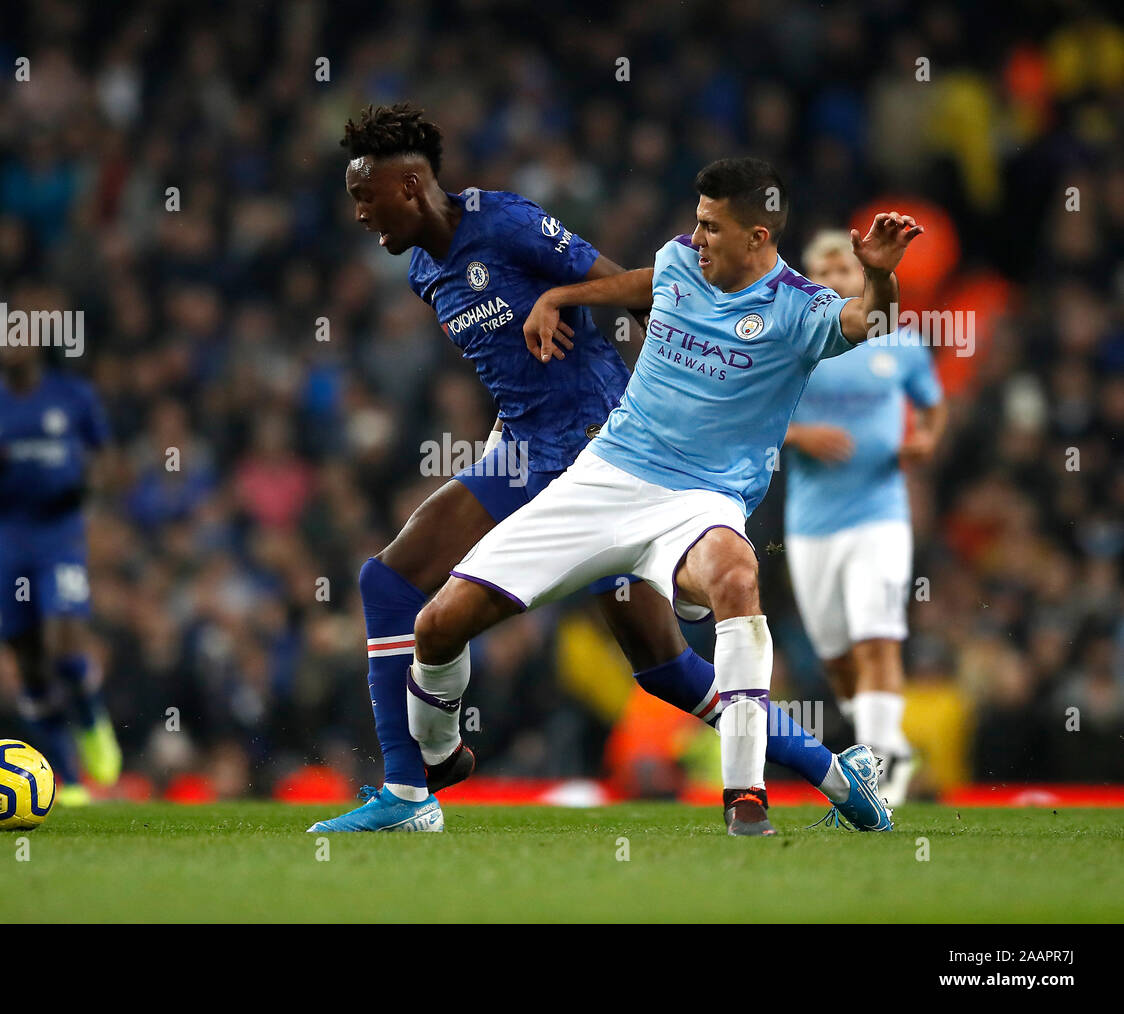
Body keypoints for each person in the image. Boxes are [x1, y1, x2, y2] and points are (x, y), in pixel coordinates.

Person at [311, 108, 887, 835]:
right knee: (393, 583)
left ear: (410, 184)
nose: (359, 214)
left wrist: (677, 415)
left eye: (367, 196)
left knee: (665, 668)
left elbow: (635, 289)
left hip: (597, 450)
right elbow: (511, 364)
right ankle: (414, 783)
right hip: (526, 448)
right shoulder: (428, 269)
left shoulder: (507, 223)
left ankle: (836, 774)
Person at [784, 230, 947, 806]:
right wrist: (800, 434)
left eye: (843, 273)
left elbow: (932, 404)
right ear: (807, 282)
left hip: (881, 513)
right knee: (835, 655)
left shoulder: (900, 344)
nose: (833, 283)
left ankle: (875, 766)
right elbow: (751, 418)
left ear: (861, 279)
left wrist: (926, 440)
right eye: (821, 275)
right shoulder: (794, 347)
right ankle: (892, 744)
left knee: (877, 637)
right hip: (809, 523)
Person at [0, 334, 120, 806]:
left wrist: (89, 491)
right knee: (29, 663)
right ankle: (68, 778)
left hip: (58, 535)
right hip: (6, 537)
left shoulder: (74, 396)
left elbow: (106, 457)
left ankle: (89, 717)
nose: (10, 346)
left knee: (63, 640)